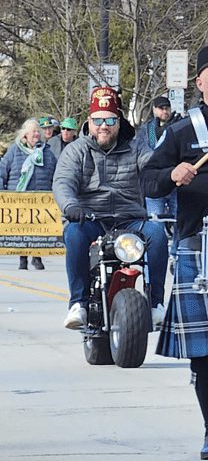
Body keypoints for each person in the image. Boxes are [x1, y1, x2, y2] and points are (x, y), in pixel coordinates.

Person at [140, 45, 208, 461]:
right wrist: (171, 173)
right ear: (199, 82)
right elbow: (148, 180)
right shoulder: (183, 130)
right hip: (198, 242)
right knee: (205, 349)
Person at [52, 86, 168, 329]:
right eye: (98, 120)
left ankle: (156, 304)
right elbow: (63, 181)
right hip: (90, 219)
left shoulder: (137, 147)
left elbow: (153, 168)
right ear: (89, 122)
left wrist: (168, 175)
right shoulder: (76, 150)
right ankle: (78, 304)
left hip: (130, 220)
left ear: (119, 121)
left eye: (110, 119)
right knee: (73, 234)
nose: (103, 125)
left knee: (157, 234)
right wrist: (71, 205)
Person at [1, 118, 57, 270]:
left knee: (39, 229)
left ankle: (37, 257)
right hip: (19, 197)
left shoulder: (47, 152)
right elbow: (2, 172)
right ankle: (23, 258)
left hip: (41, 198)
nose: (36, 135)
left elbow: (56, 174)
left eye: (38, 132)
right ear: (25, 134)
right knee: (23, 228)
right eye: (33, 132)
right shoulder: (14, 150)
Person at [142, 96, 178, 222]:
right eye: (161, 108)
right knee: (155, 222)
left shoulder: (177, 125)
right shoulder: (147, 129)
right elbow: (144, 154)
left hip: (175, 182)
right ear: (154, 110)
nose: (164, 111)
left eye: (167, 108)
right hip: (154, 184)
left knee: (179, 222)